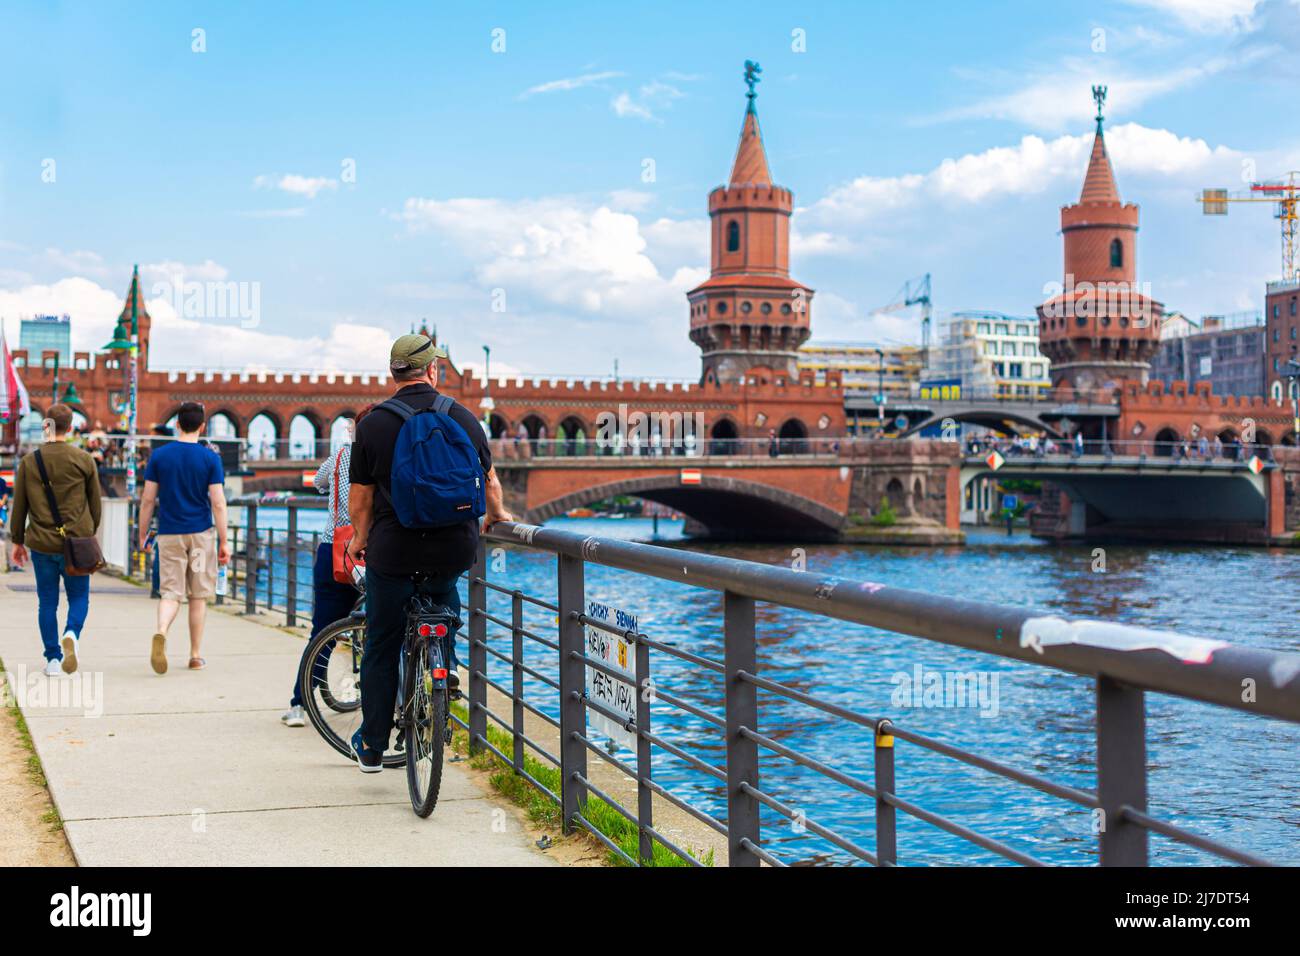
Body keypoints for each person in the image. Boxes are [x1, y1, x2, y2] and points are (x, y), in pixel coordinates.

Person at [345, 334, 511, 772]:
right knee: (444, 598)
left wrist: (359, 537)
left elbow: (359, 498)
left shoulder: (373, 424)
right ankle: (448, 661)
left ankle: (373, 747)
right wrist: (496, 515)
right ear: (432, 371)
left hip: (394, 549)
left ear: (393, 372)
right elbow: (490, 481)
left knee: (381, 643)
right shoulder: (463, 417)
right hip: (454, 545)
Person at [281, 408, 372, 728]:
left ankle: (299, 704)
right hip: (374, 554)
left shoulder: (340, 457)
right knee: (385, 630)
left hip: (335, 552)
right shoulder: (384, 460)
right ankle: (388, 707)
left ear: (352, 432)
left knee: (322, 632)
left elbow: (319, 482)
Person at [8, 404, 102, 676]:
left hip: (41, 542)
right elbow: (95, 504)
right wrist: (88, 533)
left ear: (45, 426)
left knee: (47, 602)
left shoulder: (29, 462)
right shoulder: (84, 459)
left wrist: (17, 541)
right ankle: (72, 632)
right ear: (70, 428)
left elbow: (20, 506)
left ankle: (52, 659)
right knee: (79, 597)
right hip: (77, 543)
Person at [136, 402, 230, 674]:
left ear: (177, 423)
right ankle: (195, 655)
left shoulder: (160, 456)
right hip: (200, 536)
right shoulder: (210, 458)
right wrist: (224, 541)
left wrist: (143, 534)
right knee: (198, 596)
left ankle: (162, 631)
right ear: (202, 426)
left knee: (170, 593)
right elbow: (218, 503)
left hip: (169, 534)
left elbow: (148, 499)